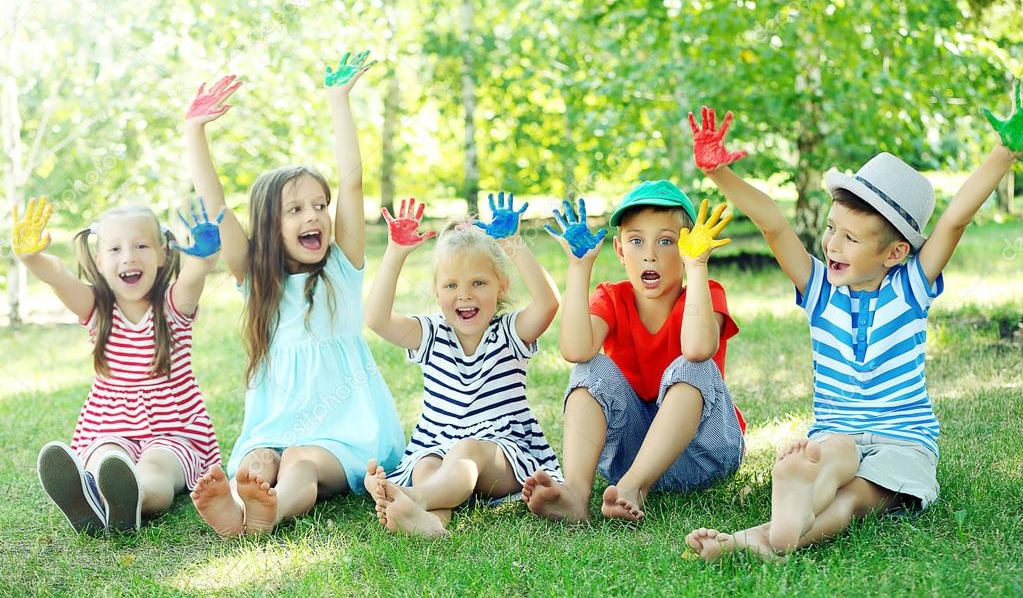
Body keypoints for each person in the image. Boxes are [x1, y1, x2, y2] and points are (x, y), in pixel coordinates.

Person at [684, 92, 1022, 560]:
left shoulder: (910, 288)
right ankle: (797, 497)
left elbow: (954, 221)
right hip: (836, 434)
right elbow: (775, 227)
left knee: (858, 498)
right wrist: (719, 172)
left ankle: (758, 540)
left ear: (894, 252)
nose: (832, 245)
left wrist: (1003, 154)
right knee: (833, 457)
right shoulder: (820, 289)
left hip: (903, 441)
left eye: (850, 237)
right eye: (830, 229)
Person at [185, 52, 404, 537]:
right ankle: (241, 508)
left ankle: (267, 515)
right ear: (268, 225)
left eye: (320, 206)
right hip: (274, 426)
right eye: (297, 209)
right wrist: (195, 132)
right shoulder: (257, 281)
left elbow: (353, 180)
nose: (314, 217)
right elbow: (216, 206)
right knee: (260, 461)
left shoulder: (342, 267)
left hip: (344, 431)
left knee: (300, 462)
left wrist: (338, 101)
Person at [523, 185, 745, 523]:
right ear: (620, 249)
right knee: (588, 368)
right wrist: (579, 267)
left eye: (667, 241)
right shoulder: (612, 298)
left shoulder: (705, 294)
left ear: (686, 247)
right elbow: (575, 350)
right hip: (631, 455)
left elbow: (698, 349)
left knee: (693, 366)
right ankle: (576, 494)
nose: (649, 254)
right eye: (637, 241)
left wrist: (697, 266)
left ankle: (635, 488)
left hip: (703, 455)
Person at [13, 197, 222, 533]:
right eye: (115, 249)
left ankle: (130, 500)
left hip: (174, 428)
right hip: (111, 423)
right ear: (98, 261)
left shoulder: (173, 304)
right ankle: (92, 496)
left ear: (162, 254)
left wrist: (205, 259)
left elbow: (195, 274)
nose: (128, 256)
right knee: (105, 458)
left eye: (141, 245)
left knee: (156, 468)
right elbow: (60, 278)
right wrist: (32, 258)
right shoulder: (96, 306)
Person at [365, 194, 562, 538]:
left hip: (502, 453)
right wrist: (395, 253)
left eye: (478, 283)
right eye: (452, 285)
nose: (464, 295)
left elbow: (548, 304)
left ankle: (415, 497)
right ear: (437, 292)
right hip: (438, 446)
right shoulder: (430, 334)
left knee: (467, 450)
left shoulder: (510, 332)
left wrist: (514, 243)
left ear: (501, 286)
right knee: (426, 465)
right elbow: (377, 319)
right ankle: (431, 524)